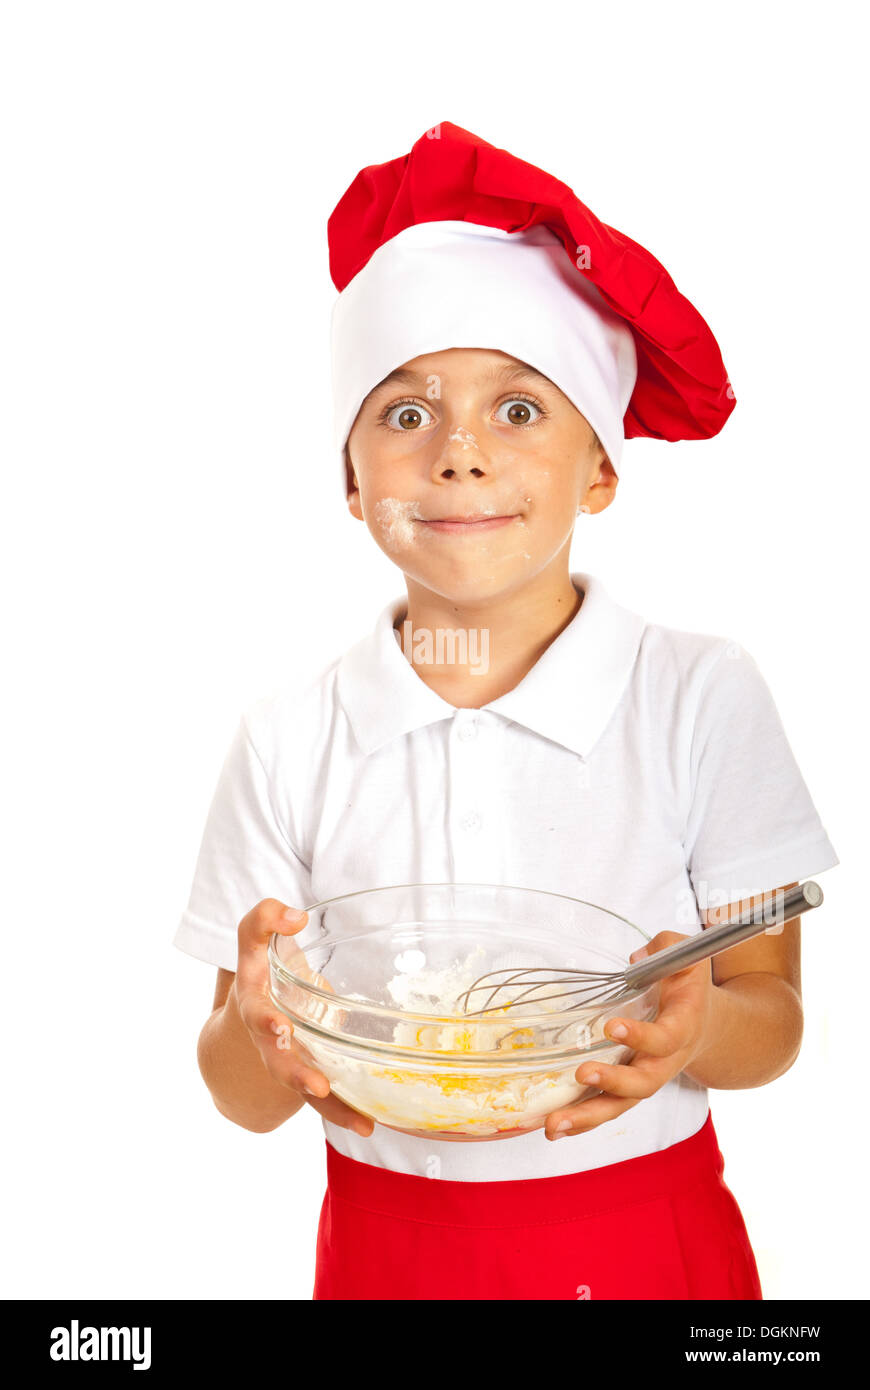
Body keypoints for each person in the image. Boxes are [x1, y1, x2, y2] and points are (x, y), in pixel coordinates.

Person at [174, 122, 839, 1300]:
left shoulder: (698, 693)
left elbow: (771, 1017)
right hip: (389, 1247)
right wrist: (266, 1039)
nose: (462, 455)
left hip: (645, 1236)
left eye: (521, 410)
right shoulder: (289, 737)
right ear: (349, 478)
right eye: (406, 412)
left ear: (600, 469)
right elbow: (236, 1086)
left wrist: (691, 1033)